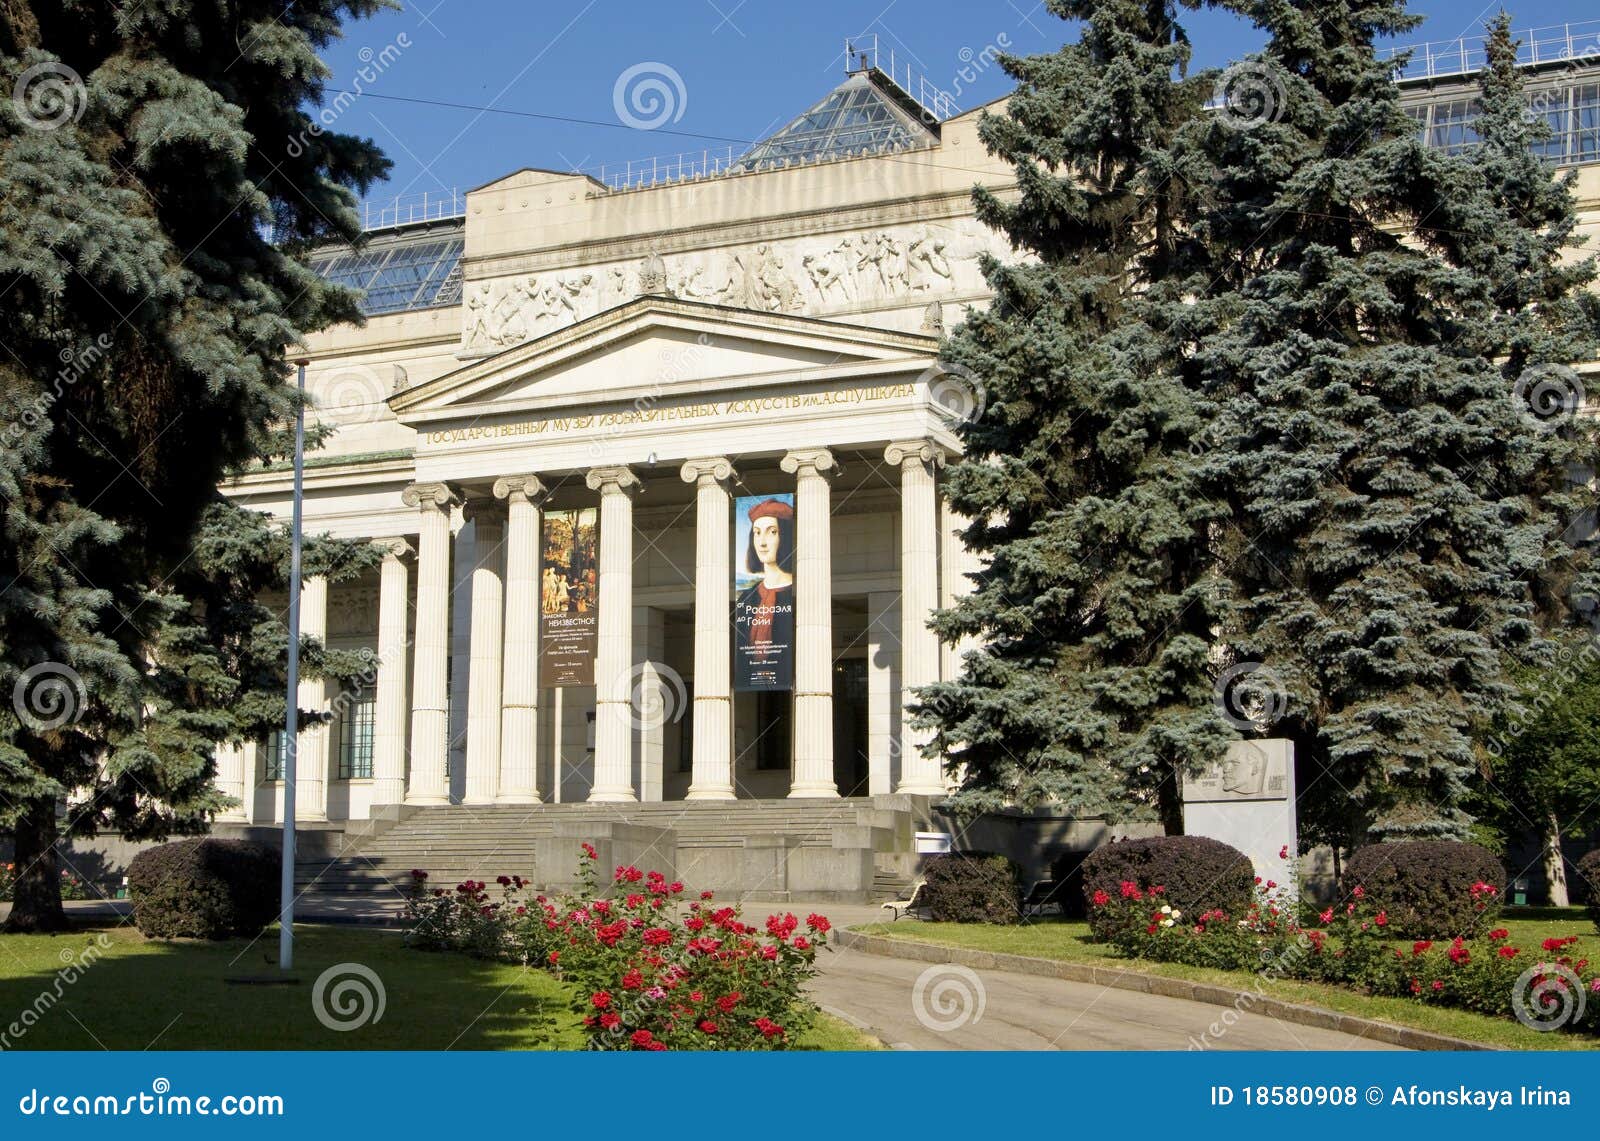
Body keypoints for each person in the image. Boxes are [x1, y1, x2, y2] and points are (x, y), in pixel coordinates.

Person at [735, 498, 795, 689]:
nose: (762, 542)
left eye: (772, 532)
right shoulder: (746, 598)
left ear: (784, 536)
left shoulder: (794, 594)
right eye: (757, 533)